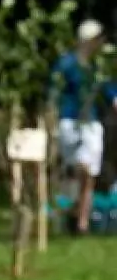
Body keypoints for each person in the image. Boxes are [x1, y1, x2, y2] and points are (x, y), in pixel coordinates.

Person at [50, 19, 115, 234]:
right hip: (70, 121)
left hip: (92, 123)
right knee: (77, 169)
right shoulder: (66, 64)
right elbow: (54, 90)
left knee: (90, 174)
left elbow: (109, 91)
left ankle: (82, 222)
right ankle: (71, 212)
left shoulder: (97, 67)